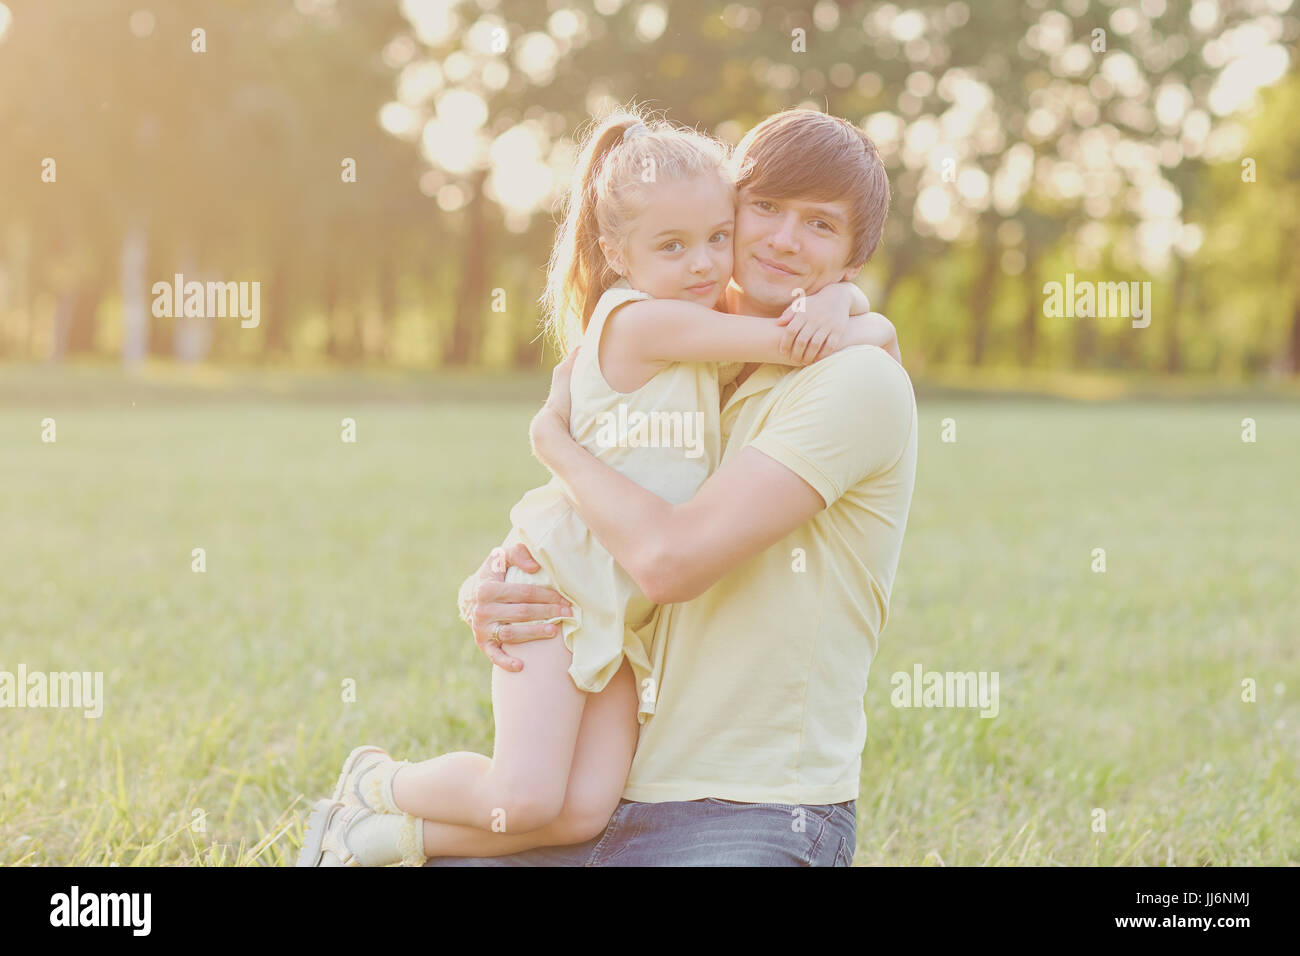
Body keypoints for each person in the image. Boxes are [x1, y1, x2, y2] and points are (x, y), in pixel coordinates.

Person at [295, 108, 892, 867]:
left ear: (851, 254)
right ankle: (377, 787)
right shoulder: (659, 329)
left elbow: (666, 556)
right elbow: (588, 522)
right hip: (588, 603)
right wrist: (487, 585)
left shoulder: (833, 378)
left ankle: (379, 832)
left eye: (819, 225)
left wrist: (852, 309)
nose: (777, 239)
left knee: (573, 811)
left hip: (734, 765)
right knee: (529, 800)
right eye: (764, 209)